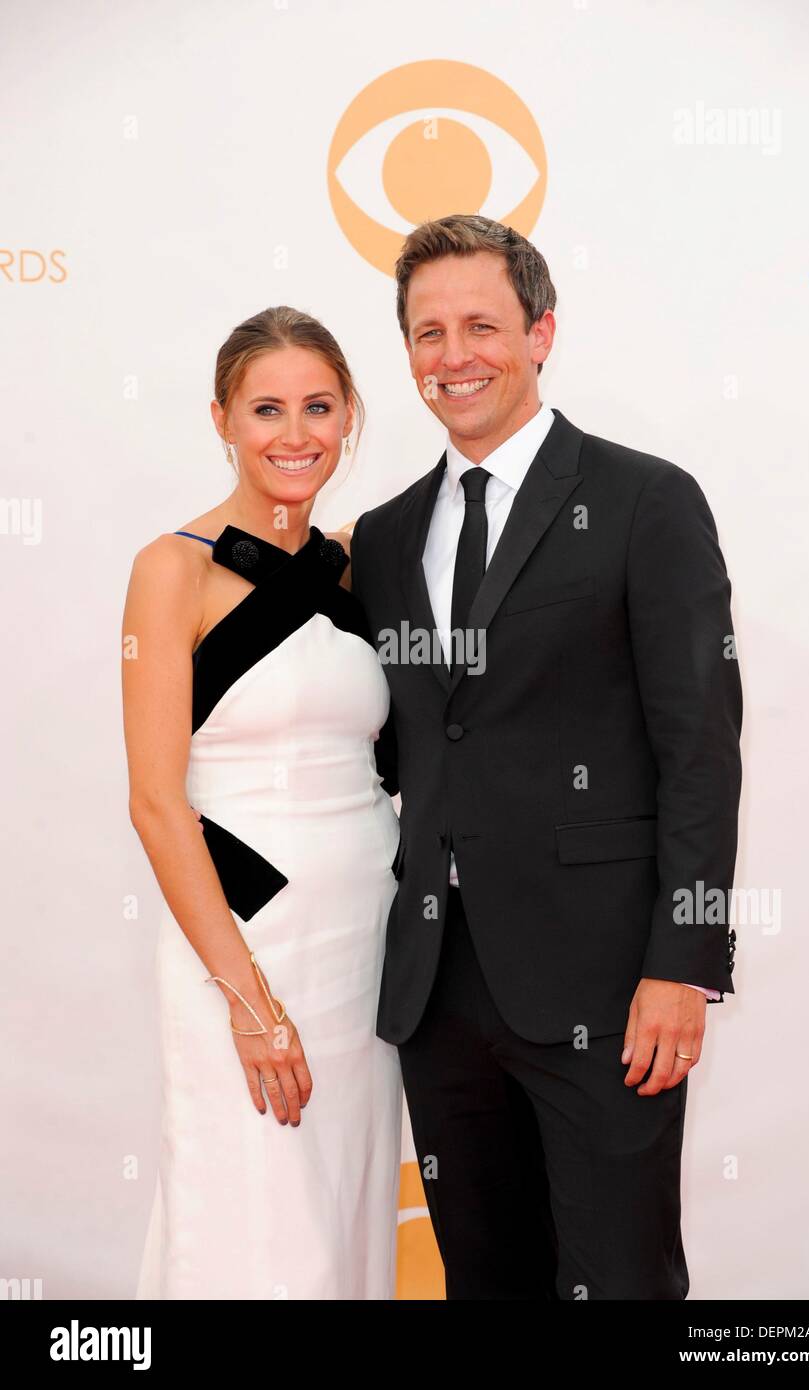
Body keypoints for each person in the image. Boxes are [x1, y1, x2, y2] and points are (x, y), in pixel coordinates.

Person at [350, 214, 742, 1300]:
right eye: (428, 332)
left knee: (621, 1281)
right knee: (484, 1279)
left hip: (611, 981)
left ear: (541, 332)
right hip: (438, 989)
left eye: (481, 324)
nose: (453, 354)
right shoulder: (383, 538)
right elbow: (401, 742)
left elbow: (701, 748)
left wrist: (684, 961)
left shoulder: (642, 501)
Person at [121, 307, 402, 1299]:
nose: (296, 433)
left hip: (364, 943)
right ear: (221, 419)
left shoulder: (359, 563)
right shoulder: (174, 568)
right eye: (267, 408)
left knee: (340, 1223)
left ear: (350, 417)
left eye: (319, 406)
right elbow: (156, 803)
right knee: (249, 1224)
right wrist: (249, 1004)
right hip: (243, 943)